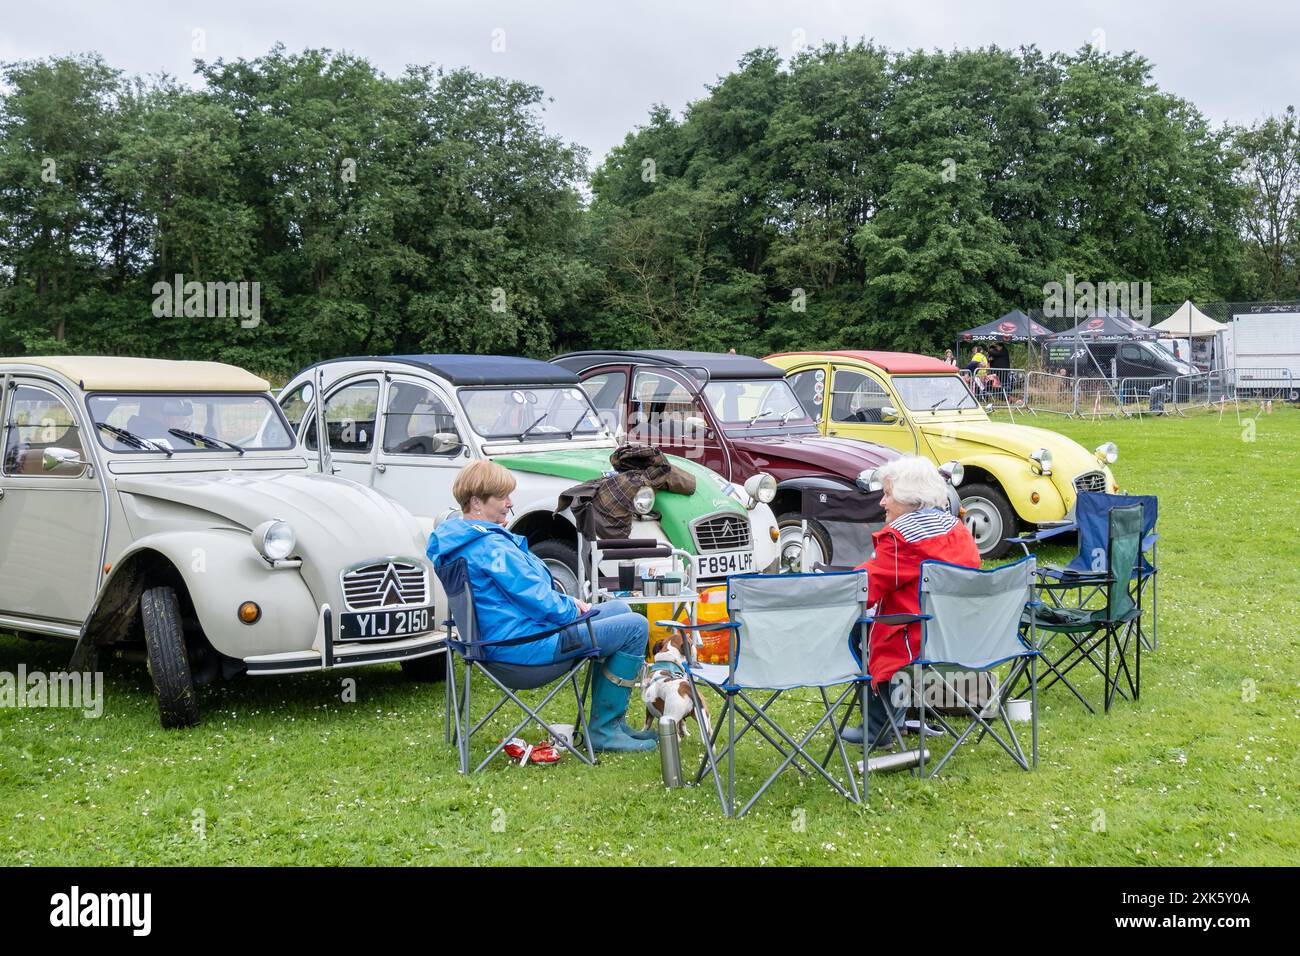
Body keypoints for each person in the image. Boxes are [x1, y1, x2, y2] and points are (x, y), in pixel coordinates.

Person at [427, 460, 656, 753]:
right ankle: (603, 730)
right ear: (476, 502)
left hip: (501, 643)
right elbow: (537, 598)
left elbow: (527, 597)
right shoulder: (490, 548)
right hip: (525, 651)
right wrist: (573, 607)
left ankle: (612, 725)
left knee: (619, 611)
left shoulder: (461, 542)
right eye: (502, 497)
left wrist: (569, 604)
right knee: (635, 626)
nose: (510, 504)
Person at [841, 456, 981, 747]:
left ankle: (878, 727)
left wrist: (824, 585)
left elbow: (864, 588)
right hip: (964, 638)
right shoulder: (958, 530)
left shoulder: (901, 539)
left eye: (888, 494)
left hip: (915, 642)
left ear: (910, 499)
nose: (882, 502)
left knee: (860, 630)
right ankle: (898, 719)